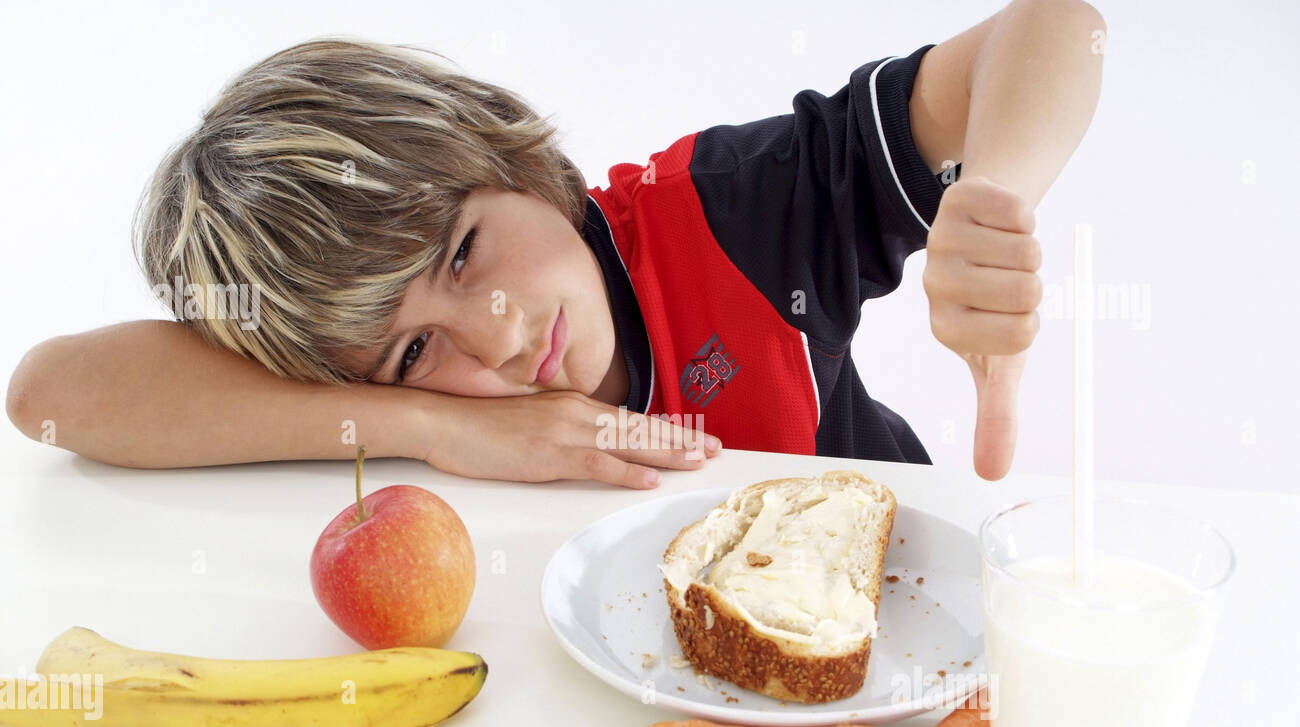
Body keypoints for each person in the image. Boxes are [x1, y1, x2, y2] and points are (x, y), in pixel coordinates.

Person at [5, 0, 1105, 489]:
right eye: (408, 349)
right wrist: (433, 426)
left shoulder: (732, 209)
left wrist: (989, 193)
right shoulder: (429, 405)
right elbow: (52, 392)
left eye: (462, 252)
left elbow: (1049, 24)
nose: (492, 340)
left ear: (511, 161)